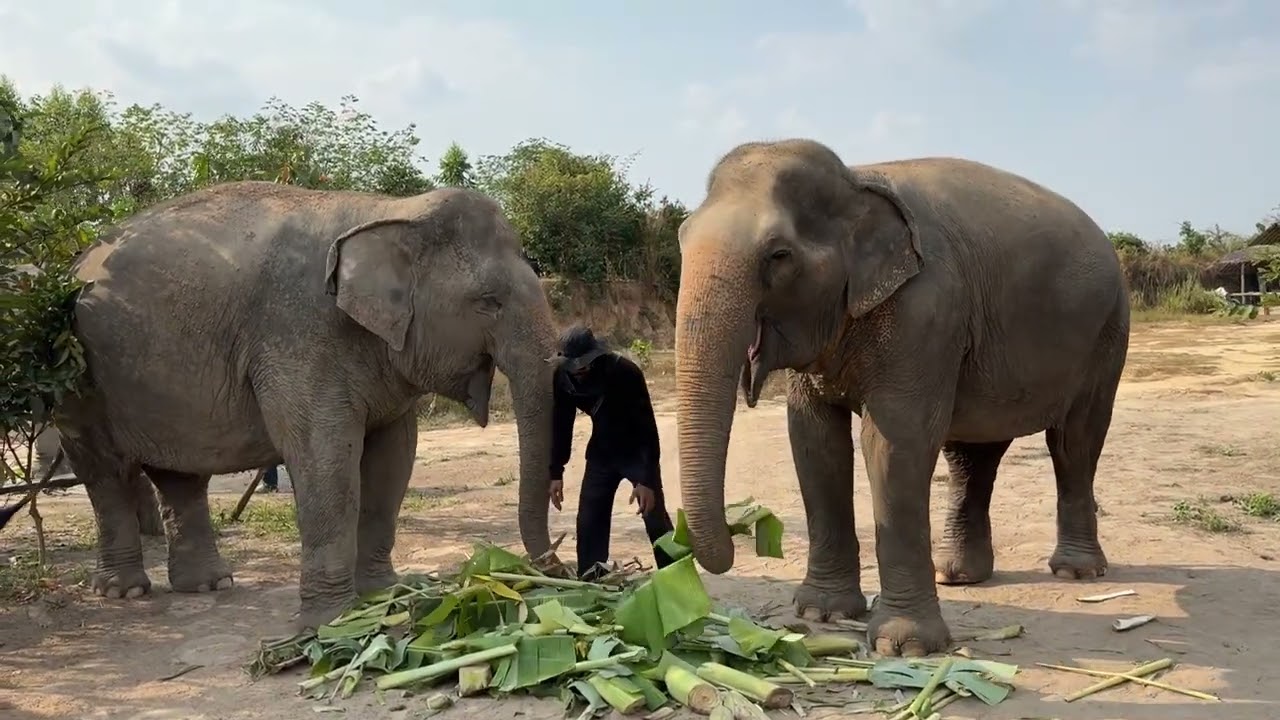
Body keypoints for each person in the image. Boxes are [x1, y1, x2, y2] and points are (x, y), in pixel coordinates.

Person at [549, 325, 676, 580]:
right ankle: (591, 580)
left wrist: (647, 480)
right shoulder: (562, 378)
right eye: (574, 366)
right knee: (589, 521)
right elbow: (562, 425)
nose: (580, 370)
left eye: (585, 364)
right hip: (602, 455)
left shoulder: (624, 372)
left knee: (655, 518)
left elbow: (647, 429)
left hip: (636, 453)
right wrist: (555, 471)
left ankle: (677, 576)